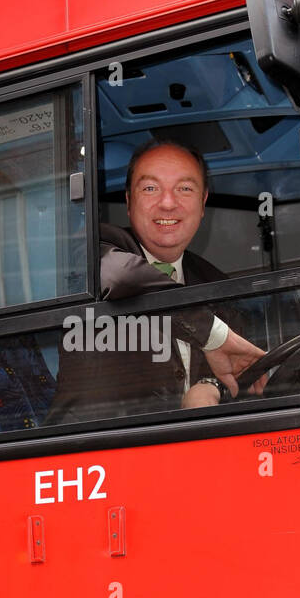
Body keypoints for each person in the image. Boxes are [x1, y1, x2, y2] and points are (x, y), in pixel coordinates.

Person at [47, 139, 268, 422]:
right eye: (150, 188)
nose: (167, 203)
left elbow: (237, 380)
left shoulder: (215, 284)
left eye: (184, 189)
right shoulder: (96, 246)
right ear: (129, 201)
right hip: (88, 453)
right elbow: (118, 276)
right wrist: (212, 335)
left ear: (202, 204)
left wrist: (209, 387)